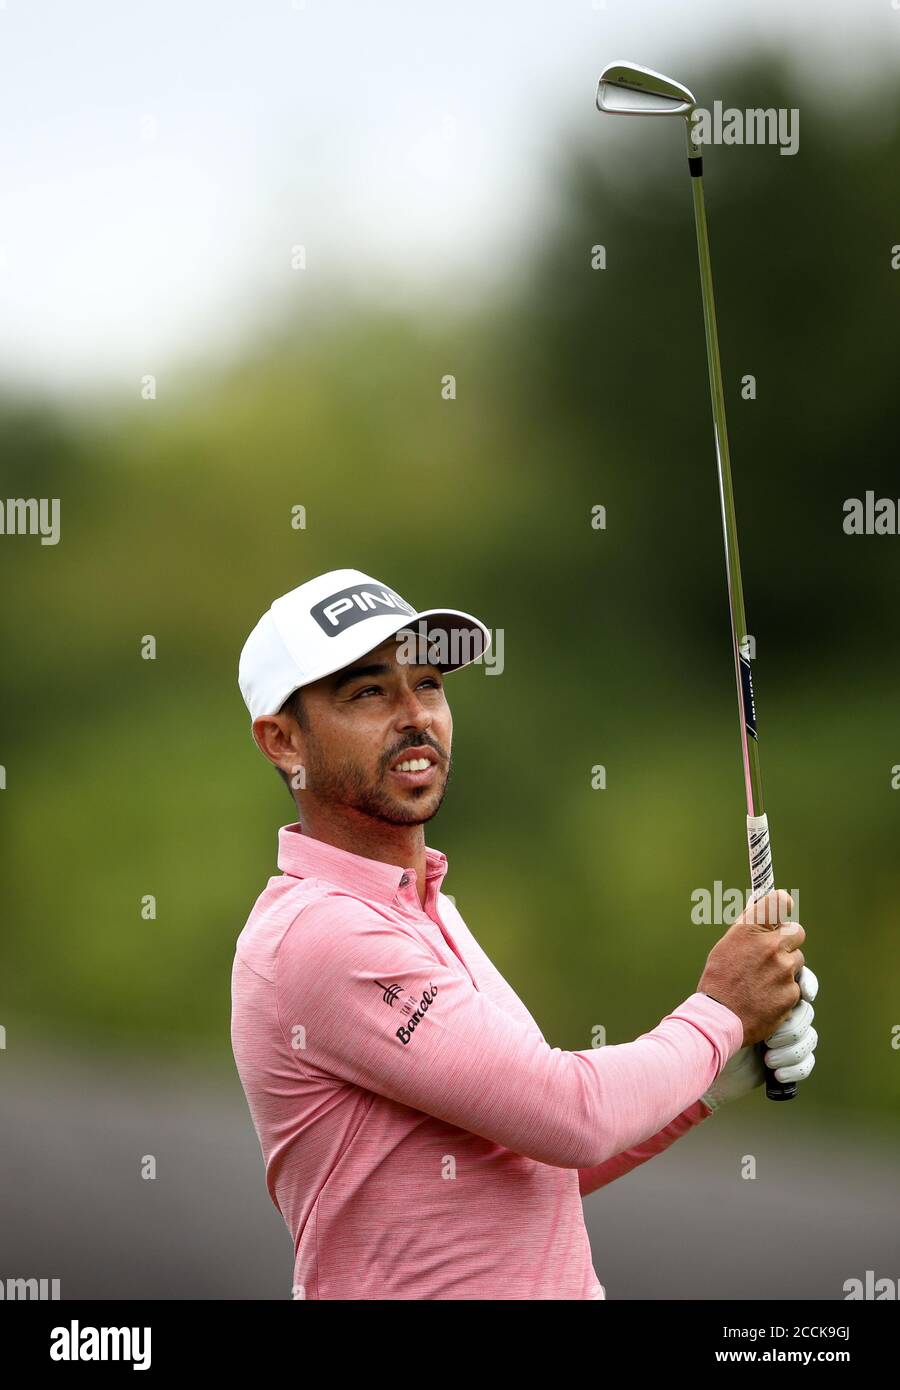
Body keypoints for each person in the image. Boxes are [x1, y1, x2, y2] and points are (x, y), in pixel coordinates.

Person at [230, 567, 818, 1300]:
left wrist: (707, 1085)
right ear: (283, 740)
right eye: (370, 691)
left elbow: (539, 1161)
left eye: (430, 683)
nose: (416, 715)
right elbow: (570, 1114)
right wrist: (720, 1015)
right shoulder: (319, 934)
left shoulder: (424, 904)